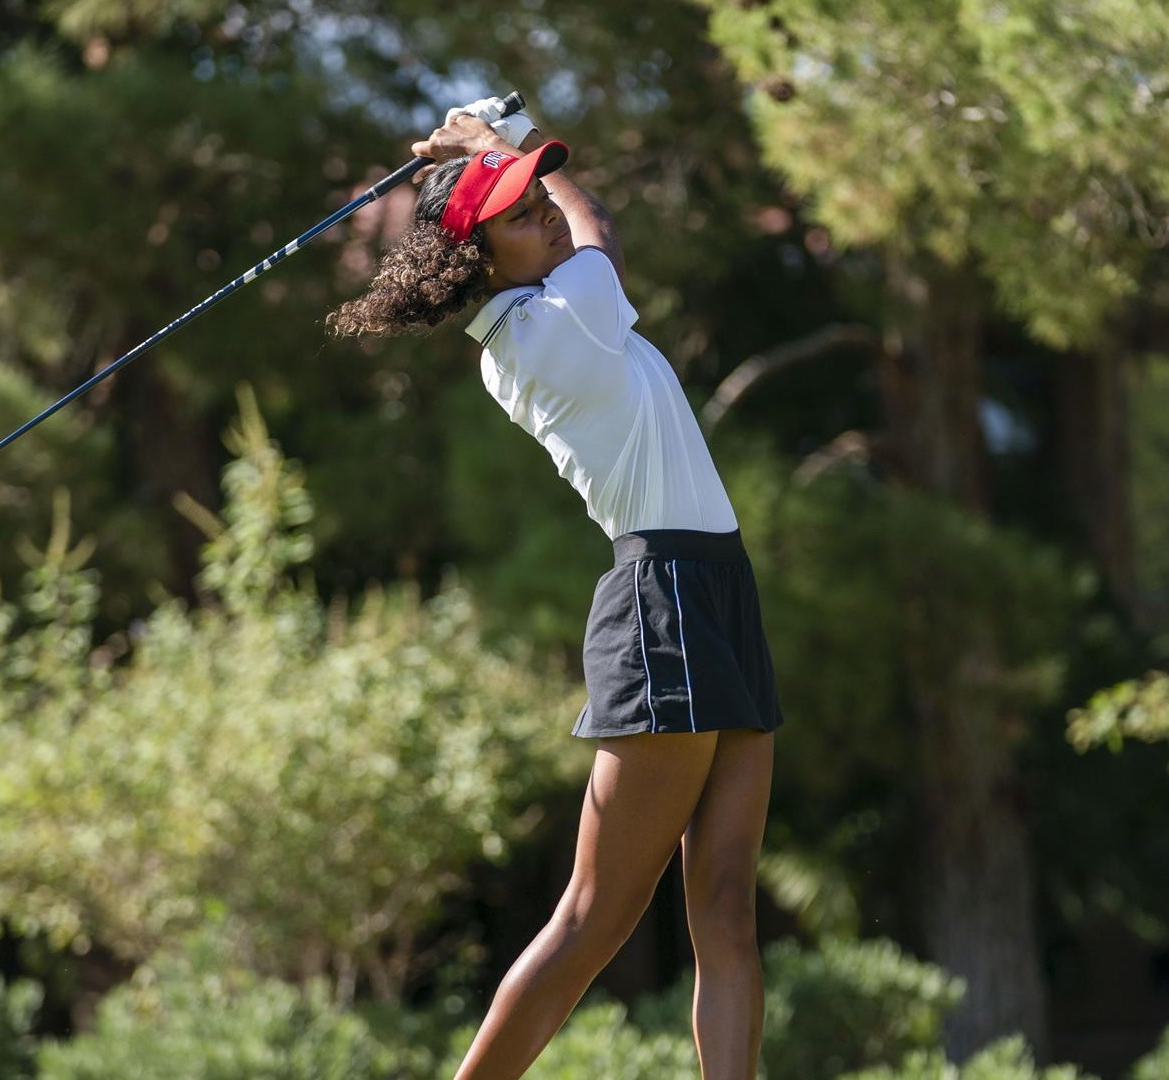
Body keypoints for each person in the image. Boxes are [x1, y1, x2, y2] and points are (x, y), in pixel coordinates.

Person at [326, 98, 785, 1080]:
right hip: (662, 600)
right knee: (591, 919)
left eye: (538, 199)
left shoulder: (555, 306)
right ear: (477, 258)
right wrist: (490, 143)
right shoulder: (543, 331)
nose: (543, 214)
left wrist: (501, 151)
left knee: (729, 909)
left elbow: (575, 227)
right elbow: (599, 228)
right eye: (517, 214)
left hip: (717, 587)